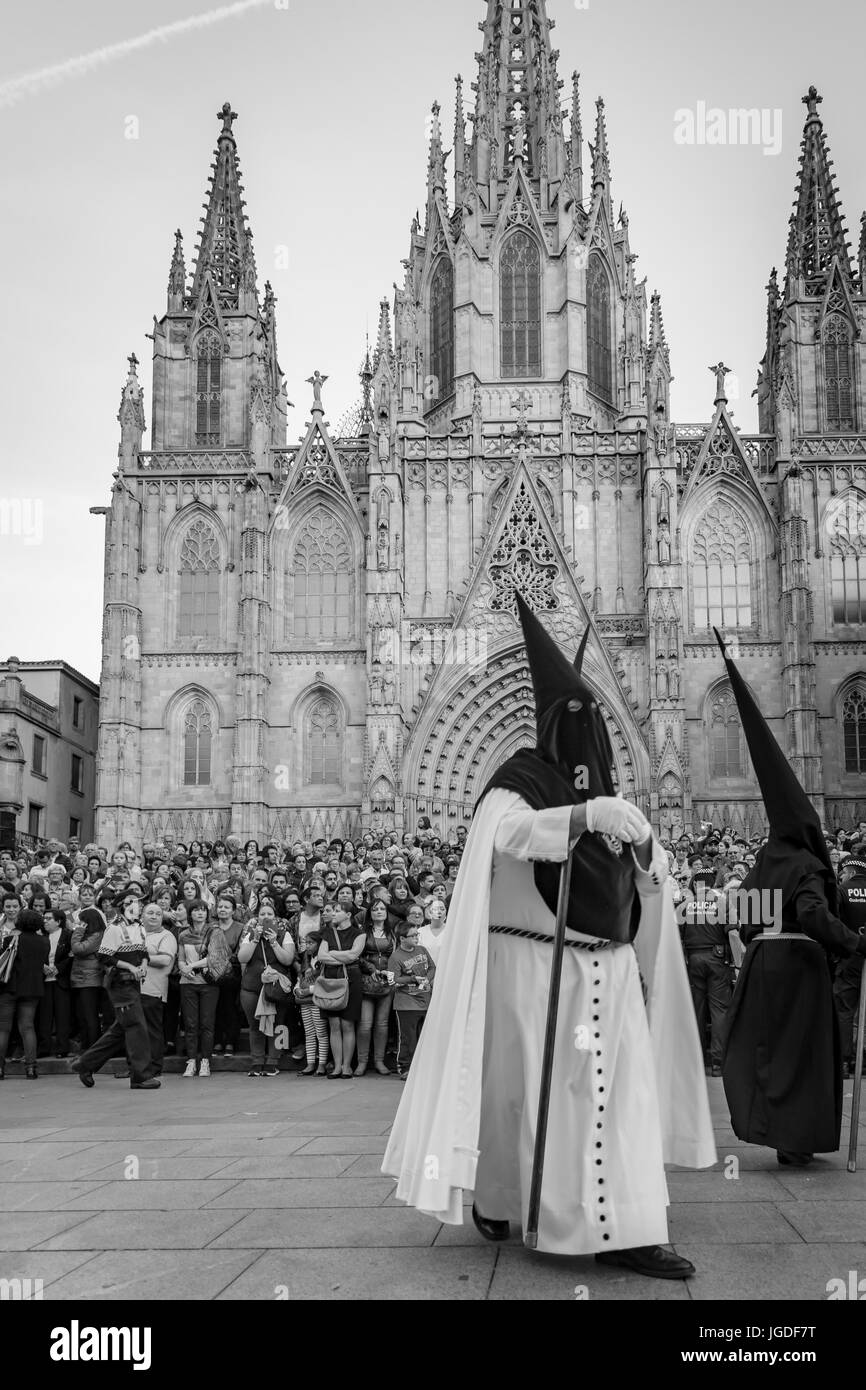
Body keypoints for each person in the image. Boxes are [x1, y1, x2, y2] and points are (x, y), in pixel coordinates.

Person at [383, 597, 714, 1277]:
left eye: (591, 717)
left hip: (610, 972)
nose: (587, 727)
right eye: (576, 717)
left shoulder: (610, 793)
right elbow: (502, 834)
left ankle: (631, 1227)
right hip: (536, 971)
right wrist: (578, 815)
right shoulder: (520, 782)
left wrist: (647, 842)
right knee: (527, 1099)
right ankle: (511, 1200)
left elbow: (649, 877)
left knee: (620, 1101)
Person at [713, 630, 866, 1166]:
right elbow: (810, 913)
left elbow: (746, 915)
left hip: (763, 965)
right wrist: (853, 942)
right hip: (800, 966)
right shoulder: (803, 862)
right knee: (802, 1054)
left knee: (769, 1051)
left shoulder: (766, 860)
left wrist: (755, 945)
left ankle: (775, 1130)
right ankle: (795, 1138)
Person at [72, 894, 160, 1090]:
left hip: (134, 983)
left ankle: (85, 1064)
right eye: (135, 903)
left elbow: (142, 952)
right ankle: (141, 1076)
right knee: (137, 1027)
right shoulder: (114, 928)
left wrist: (144, 964)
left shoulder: (139, 926)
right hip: (121, 985)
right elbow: (104, 957)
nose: (139, 905)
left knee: (121, 1030)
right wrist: (130, 967)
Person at [680, 868, 733, 1076]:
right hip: (717, 958)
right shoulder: (721, 902)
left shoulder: (685, 904)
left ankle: (696, 1059)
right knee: (719, 1010)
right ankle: (719, 1063)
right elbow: (733, 932)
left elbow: (678, 936)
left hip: (693, 959)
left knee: (696, 1010)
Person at [237, 900, 295, 1077]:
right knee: (255, 1025)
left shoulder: (284, 935)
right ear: (257, 917)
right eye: (262, 914)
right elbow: (242, 958)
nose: (265, 917)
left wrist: (273, 942)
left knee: (279, 1024)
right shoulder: (250, 934)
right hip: (252, 988)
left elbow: (287, 960)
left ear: (275, 918)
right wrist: (255, 939)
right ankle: (257, 1061)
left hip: (277, 988)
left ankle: (274, 1060)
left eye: (269, 914)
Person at [0, 908, 50, 1078]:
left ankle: (0, 1068)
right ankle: (31, 1067)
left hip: (10, 988)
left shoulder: (10, 939)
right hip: (32, 988)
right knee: (28, 1027)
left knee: (3, 1029)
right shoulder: (44, 941)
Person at [316, 908, 365, 1078]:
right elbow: (321, 956)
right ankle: (337, 1066)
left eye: (337, 910)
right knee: (334, 1025)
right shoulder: (328, 932)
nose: (333, 913)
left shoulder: (359, 934)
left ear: (348, 914)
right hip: (331, 978)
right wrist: (341, 957)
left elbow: (353, 956)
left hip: (352, 978)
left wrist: (333, 953)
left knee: (347, 1024)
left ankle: (347, 1066)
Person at [177, 899, 219, 1078]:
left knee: (207, 1024)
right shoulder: (183, 934)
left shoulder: (214, 932)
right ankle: (191, 1060)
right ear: (190, 913)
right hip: (188, 983)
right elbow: (179, 958)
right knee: (191, 1024)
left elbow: (214, 957)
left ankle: (205, 1061)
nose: (200, 913)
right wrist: (184, 969)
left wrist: (191, 965)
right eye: (196, 910)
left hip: (208, 983)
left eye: (203, 910)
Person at [389, 919, 435, 1078]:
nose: (417, 938)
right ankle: (405, 1067)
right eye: (413, 935)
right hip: (406, 1003)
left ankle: (422, 1067)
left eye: (417, 934)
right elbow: (393, 980)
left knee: (424, 1036)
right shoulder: (395, 957)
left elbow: (432, 967)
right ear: (402, 938)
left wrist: (427, 979)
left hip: (425, 1000)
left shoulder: (422, 950)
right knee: (408, 1037)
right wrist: (412, 979)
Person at [356, 901, 396, 1076]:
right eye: (375, 909)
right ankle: (362, 1062)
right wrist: (372, 969)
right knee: (365, 1024)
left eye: (382, 909)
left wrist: (389, 971)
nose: (379, 911)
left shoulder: (393, 933)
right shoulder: (362, 933)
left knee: (382, 1024)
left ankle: (379, 1061)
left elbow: (396, 956)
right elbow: (357, 955)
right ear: (370, 913)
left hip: (387, 982)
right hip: (367, 981)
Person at [835, 852, 866, 1078]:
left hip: (852, 953)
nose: (841, 876)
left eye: (843, 873)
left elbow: (833, 922)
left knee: (845, 1008)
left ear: (852, 872)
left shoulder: (842, 891)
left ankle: (844, 1062)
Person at [140, 902, 177, 1079]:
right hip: (132, 989)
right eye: (150, 913)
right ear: (142, 916)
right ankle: (136, 1067)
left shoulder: (167, 935)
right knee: (135, 1032)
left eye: (158, 914)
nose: (154, 916)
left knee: (152, 1031)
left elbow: (164, 960)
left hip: (153, 990)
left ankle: (154, 1067)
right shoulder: (135, 933)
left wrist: (140, 957)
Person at [37, 908, 74, 1058]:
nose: (44, 921)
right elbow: (34, 955)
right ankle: (44, 1048)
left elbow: (71, 956)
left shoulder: (68, 936)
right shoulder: (40, 936)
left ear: (58, 921)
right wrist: (42, 966)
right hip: (44, 980)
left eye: (48, 919)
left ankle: (62, 1048)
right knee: (44, 1016)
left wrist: (58, 968)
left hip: (61, 980)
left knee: (62, 1015)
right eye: (43, 918)